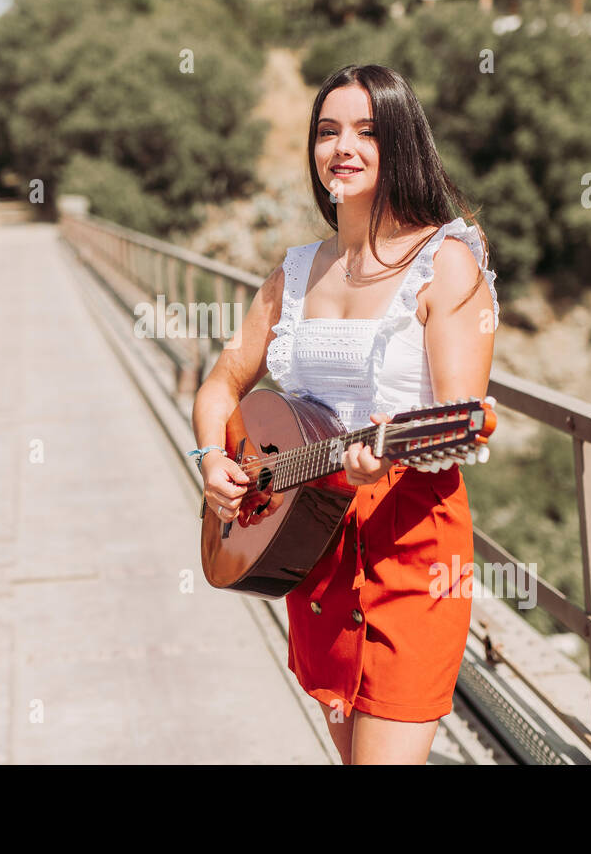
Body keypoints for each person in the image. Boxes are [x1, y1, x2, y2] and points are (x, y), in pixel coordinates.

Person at [189, 64, 498, 765]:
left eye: (366, 130)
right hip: (313, 542)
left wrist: (387, 454)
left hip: (411, 542)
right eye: (328, 131)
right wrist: (210, 460)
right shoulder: (295, 274)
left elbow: (461, 416)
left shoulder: (446, 263)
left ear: (401, 143)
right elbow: (220, 385)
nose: (343, 147)